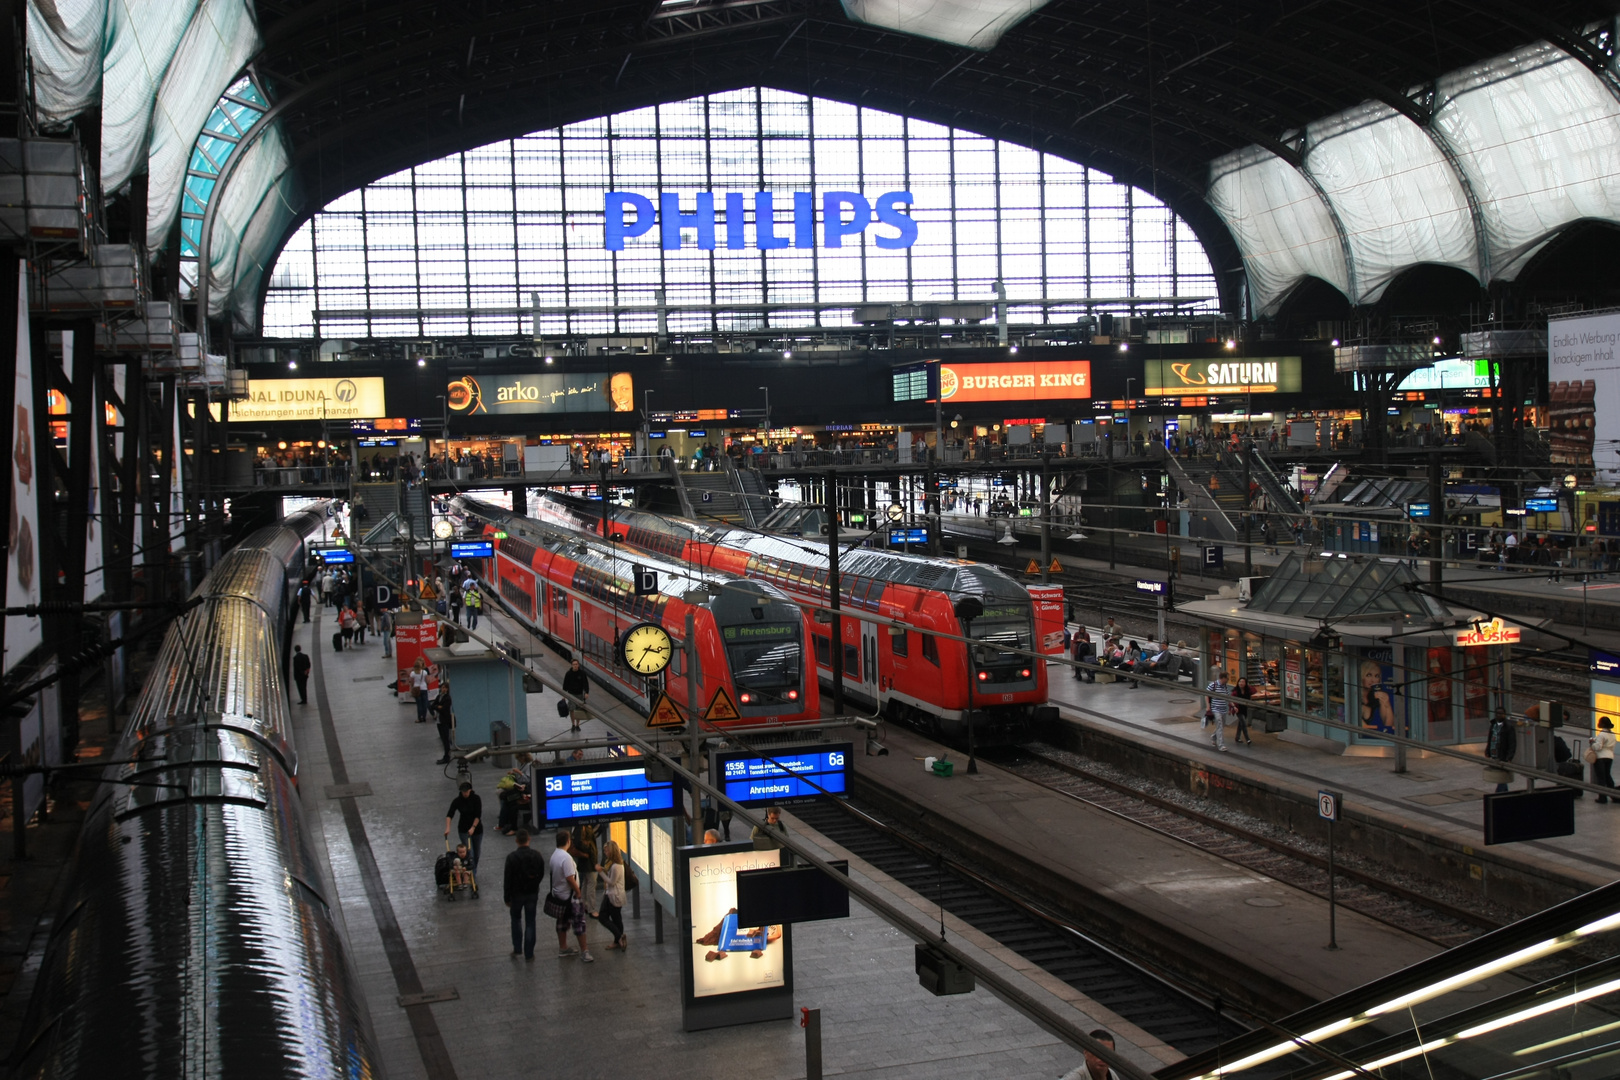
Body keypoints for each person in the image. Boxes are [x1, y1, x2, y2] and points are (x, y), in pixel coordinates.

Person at [549, 829, 593, 962]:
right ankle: (584, 951)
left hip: (559, 895)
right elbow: (570, 877)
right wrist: (578, 892)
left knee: (562, 923)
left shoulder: (554, 855)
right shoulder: (566, 858)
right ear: (568, 841)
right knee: (579, 923)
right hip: (570, 896)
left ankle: (563, 948)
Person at [504, 829, 546, 959]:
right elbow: (541, 873)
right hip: (532, 893)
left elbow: (507, 879)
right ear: (529, 839)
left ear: (516, 841)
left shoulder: (511, 858)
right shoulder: (537, 855)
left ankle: (517, 948)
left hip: (516, 894)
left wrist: (507, 896)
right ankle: (529, 952)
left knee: (516, 920)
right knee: (530, 921)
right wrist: (535, 884)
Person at [444, 780, 484, 873]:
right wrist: (448, 827)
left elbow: (478, 815)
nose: (465, 793)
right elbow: (450, 814)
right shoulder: (457, 801)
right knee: (470, 853)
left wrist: (473, 827)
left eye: (466, 791)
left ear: (470, 790)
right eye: (463, 792)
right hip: (463, 829)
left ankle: (473, 870)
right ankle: (472, 875)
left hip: (477, 829)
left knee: (477, 853)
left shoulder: (476, 798)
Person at [596, 840, 628, 950]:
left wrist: (600, 872)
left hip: (613, 895)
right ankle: (618, 940)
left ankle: (618, 938)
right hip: (612, 894)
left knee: (605, 917)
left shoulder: (615, 866)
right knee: (616, 918)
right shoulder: (615, 864)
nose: (605, 852)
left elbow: (611, 882)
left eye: (606, 850)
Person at [1359, 661, 1396, 735]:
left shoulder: (1376, 697)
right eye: (1369, 675)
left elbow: (1388, 727)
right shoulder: (1354, 696)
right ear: (1361, 676)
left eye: (1376, 676)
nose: (1373, 680)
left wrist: (1387, 705)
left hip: (1374, 738)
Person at [1487, 707, 1517, 793]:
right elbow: (1490, 739)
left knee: (1502, 775)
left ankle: (1499, 793)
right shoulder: (1493, 725)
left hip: (1503, 755)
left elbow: (1512, 743)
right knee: (1500, 775)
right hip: (1494, 754)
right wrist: (1488, 751)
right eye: (1497, 713)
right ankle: (1504, 792)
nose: (1498, 715)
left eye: (1501, 713)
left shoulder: (1508, 727)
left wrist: (1509, 757)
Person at [1204, 672, 1230, 752]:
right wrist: (1208, 706)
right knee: (1219, 725)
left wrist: (1233, 706)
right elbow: (1206, 694)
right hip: (1215, 709)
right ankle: (1221, 745)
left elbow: (1227, 697)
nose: (1228, 680)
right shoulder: (1213, 685)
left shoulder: (1225, 686)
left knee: (1221, 725)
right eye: (1227, 678)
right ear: (1223, 678)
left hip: (1223, 709)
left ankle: (1213, 737)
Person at [562, 658, 589, 732]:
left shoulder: (582, 673)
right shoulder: (568, 674)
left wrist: (586, 692)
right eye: (574, 664)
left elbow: (585, 683)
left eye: (576, 664)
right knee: (572, 709)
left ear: (578, 665)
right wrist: (564, 695)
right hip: (571, 694)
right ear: (571, 665)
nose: (575, 666)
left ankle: (577, 724)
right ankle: (573, 724)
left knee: (579, 710)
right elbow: (565, 685)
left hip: (580, 694)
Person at [1595, 717, 1616, 804]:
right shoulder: (1612, 734)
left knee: (1601, 778)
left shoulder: (1602, 734)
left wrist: (1592, 744)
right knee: (1608, 776)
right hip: (1610, 757)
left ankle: (1602, 798)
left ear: (1603, 724)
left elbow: (1598, 747)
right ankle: (1615, 796)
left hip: (1601, 757)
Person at [433, 683, 455, 764]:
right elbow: (433, 705)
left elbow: (444, 709)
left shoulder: (447, 698)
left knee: (446, 739)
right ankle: (446, 755)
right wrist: (438, 706)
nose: (444, 689)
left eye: (446, 688)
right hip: (439, 721)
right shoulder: (439, 697)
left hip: (444, 721)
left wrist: (438, 707)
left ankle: (447, 756)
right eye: (443, 688)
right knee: (443, 739)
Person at [1232, 676, 1256, 746]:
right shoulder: (1235, 691)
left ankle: (1237, 737)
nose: (1241, 683)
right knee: (1243, 723)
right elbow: (1231, 699)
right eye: (1240, 682)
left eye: (1243, 682)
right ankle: (1247, 738)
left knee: (1240, 723)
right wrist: (1234, 707)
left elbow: (1254, 691)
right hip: (1238, 709)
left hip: (1245, 709)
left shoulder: (1248, 690)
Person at [410, 658, 431, 723]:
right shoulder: (424, 672)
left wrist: (412, 687)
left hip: (416, 688)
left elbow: (412, 682)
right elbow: (427, 681)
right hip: (424, 688)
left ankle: (419, 718)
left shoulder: (412, 673)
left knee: (419, 704)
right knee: (424, 703)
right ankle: (424, 717)